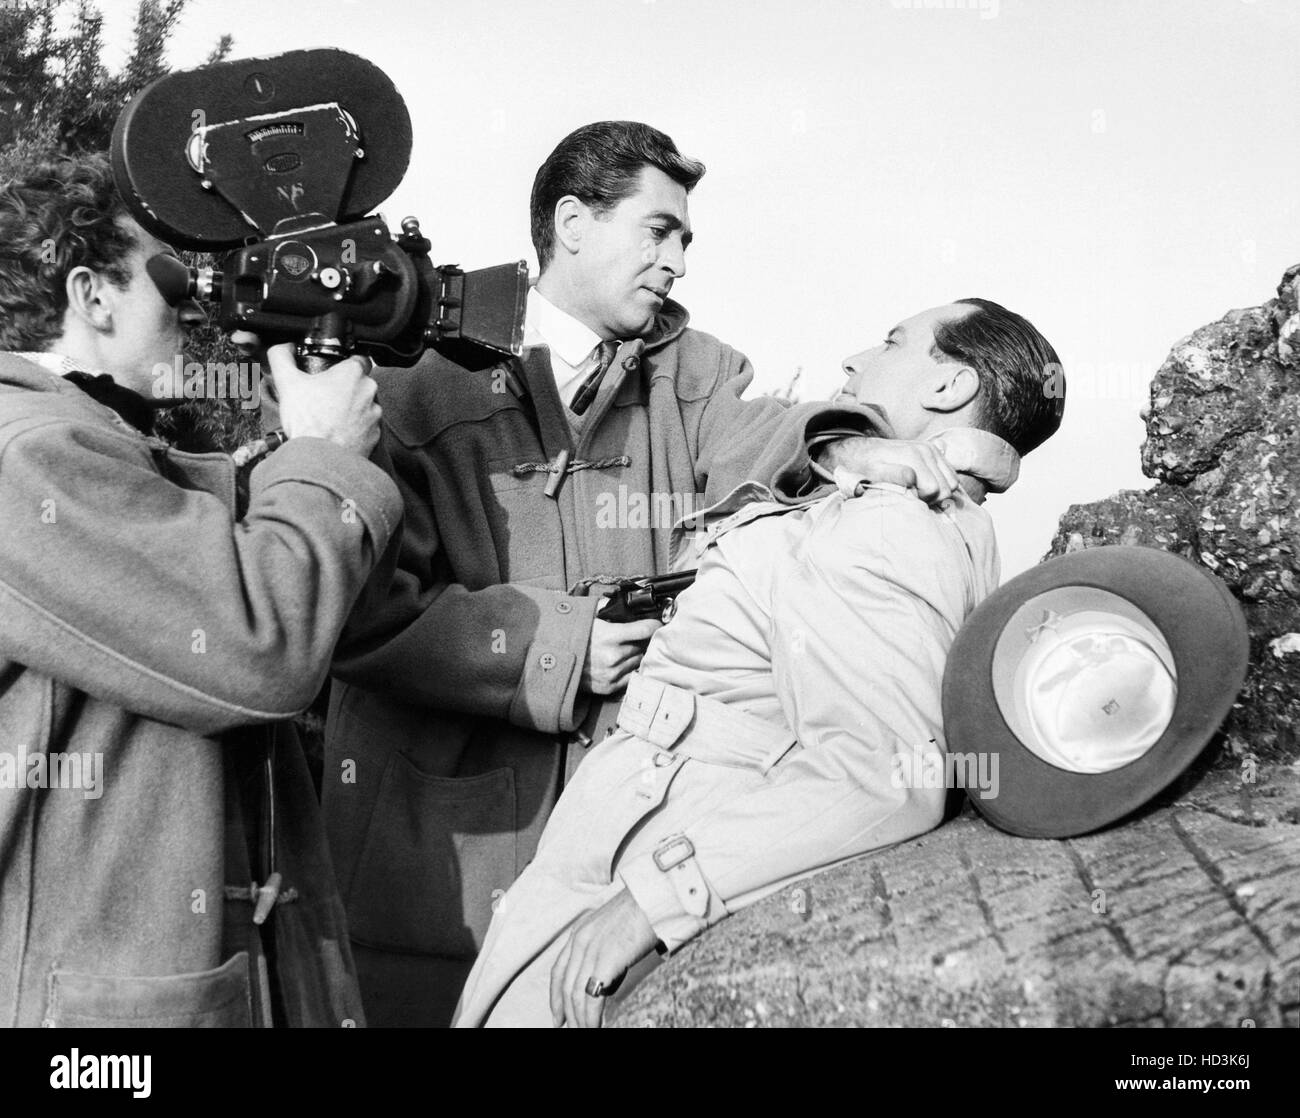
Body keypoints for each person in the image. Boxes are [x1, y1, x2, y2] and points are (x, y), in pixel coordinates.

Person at [322, 120, 955, 1026]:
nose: (679, 261)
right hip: (432, 874)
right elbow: (360, 610)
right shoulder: (406, 381)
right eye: (659, 231)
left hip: (622, 856)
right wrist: (562, 649)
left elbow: (765, 436)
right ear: (572, 223)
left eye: (686, 239)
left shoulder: (695, 374)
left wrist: (854, 441)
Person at [452, 298, 1065, 1027]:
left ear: (948, 388)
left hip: (645, 866)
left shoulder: (885, 522)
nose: (855, 360)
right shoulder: (907, 507)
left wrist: (650, 901)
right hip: (635, 844)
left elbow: (881, 773)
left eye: (892, 341)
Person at [0, 154, 403, 1027]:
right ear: (92, 296)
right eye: (169, 276)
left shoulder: (103, 446)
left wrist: (295, 440)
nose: (197, 302)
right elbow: (259, 647)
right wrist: (324, 454)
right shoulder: (31, 455)